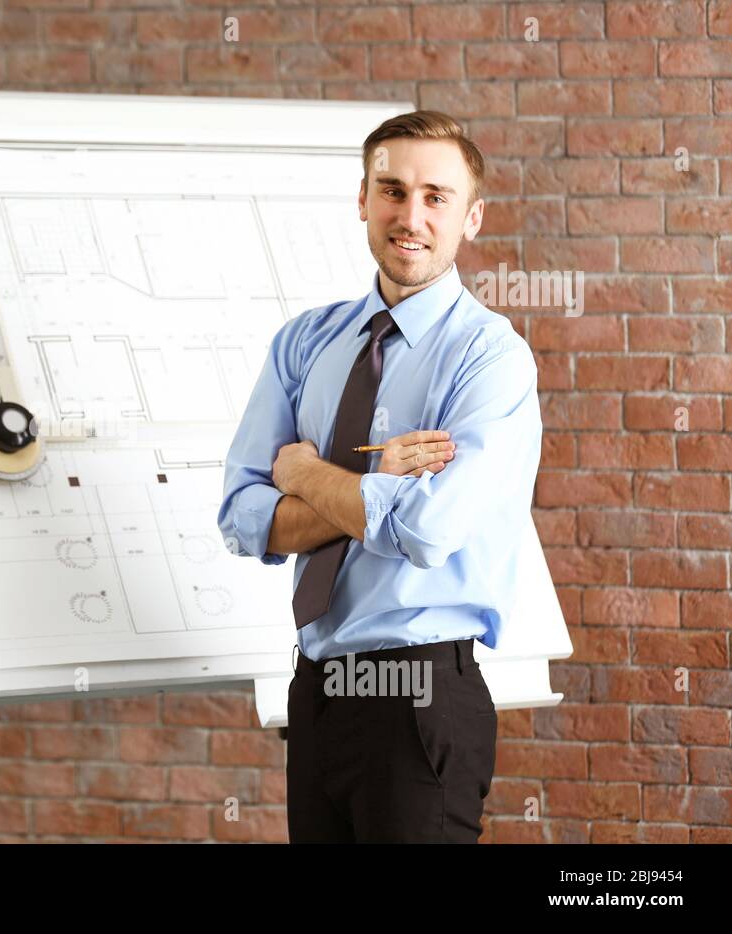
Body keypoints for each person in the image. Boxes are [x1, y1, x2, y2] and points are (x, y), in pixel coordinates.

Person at [217, 110, 543, 843]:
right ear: (362, 198)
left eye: (436, 197)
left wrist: (303, 470)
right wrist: (376, 483)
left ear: (472, 217)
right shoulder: (305, 342)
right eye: (392, 190)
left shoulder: (490, 360)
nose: (412, 216)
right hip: (319, 686)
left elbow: (429, 529)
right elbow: (243, 516)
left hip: (418, 690)